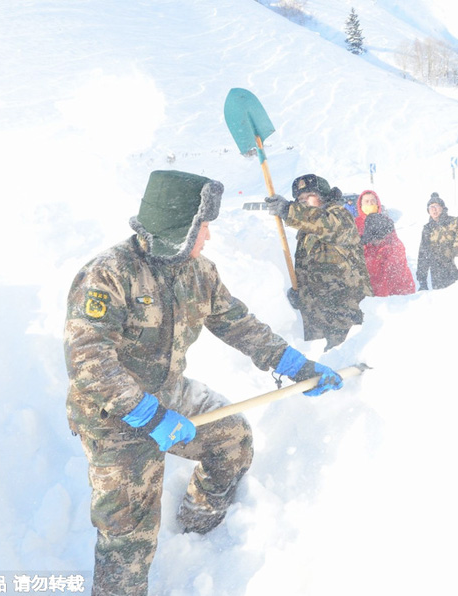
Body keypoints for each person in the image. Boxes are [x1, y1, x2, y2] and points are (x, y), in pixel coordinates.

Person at [63, 170, 343, 596]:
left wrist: (295, 365)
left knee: (231, 441)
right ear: (179, 228)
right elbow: (87, 360)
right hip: (112, 417)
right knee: (127, 536)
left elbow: (238, 324)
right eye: (202, 226)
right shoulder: (108, 275)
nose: (208, 237)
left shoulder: (198, 271)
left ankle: (197, 531)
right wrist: (146, 414)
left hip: (169, 394)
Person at [265, 174, 372, 351]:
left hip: (345, 320)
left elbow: (327, 224)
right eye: (300, 199)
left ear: (323, 196)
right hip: (319, 322)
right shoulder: (306, 231)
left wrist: (289, 211)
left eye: (309, 196)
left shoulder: (340, 217)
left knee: (346, 369)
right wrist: (302, 293)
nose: (304, 202)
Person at [361, 212, 416, 296]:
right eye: (372, 239)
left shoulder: (395, 247)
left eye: (378, 238)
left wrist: (380, 300)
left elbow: (386, 277)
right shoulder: (366, 247)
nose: (375, 241)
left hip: (399, 295)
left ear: (385, 235)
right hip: (378, 296)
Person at [415, 193, 458, 290]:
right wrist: (422, 280)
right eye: (431, 207)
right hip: (437, 275)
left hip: (456, 270)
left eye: (436, 206)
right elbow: (423, 254)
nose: (434, 209)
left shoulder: (454, 222)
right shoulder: (427, 229)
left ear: (442, 208)